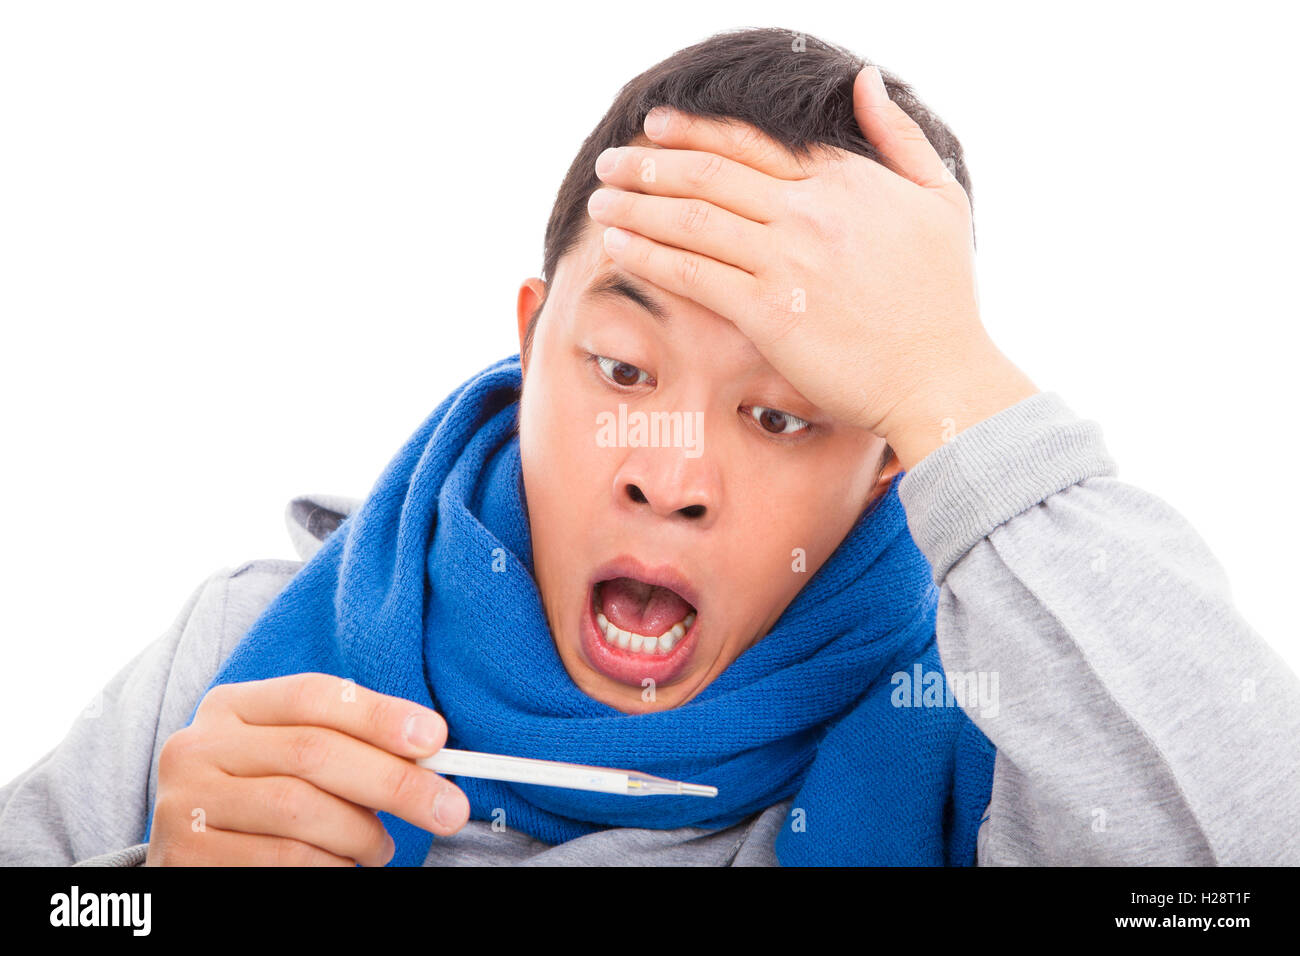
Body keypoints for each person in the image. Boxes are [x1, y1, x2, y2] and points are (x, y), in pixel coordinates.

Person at [2, 27, 1297, 867]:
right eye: (622, 369)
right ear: (531, 337)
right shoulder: (236, 657)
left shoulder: (1017, 741)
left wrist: (957, 381)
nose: (668, 475)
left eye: (785, 413)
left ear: (892, 459)